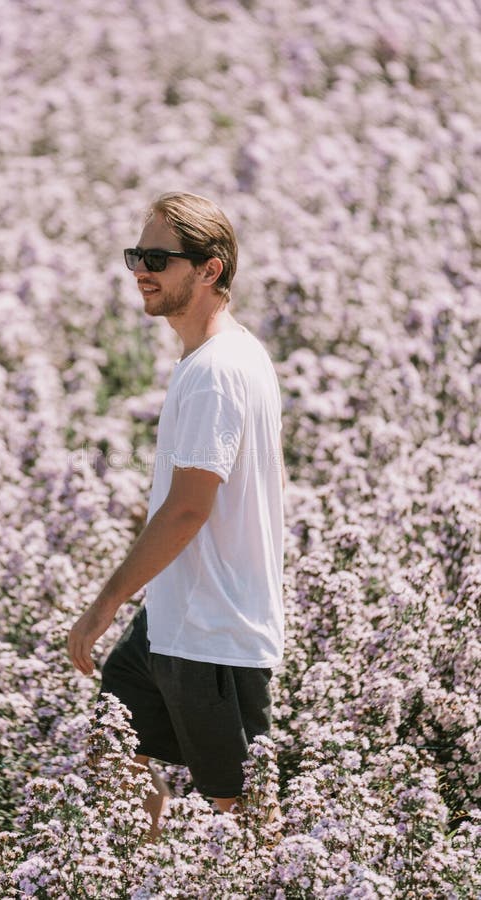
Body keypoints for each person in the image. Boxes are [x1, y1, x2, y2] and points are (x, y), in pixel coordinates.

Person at [67, 192, 286, 839]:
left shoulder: (217, 370)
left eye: (158, 259)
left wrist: (105, 603)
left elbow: (189, 509)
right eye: (136, 256)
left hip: (214, 631)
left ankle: (285, 881)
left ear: (210, 269)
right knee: (113, 748)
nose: (141, 270)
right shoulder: (219, 356)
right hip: (173, 618)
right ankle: (144, 870)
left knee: (244, 812)